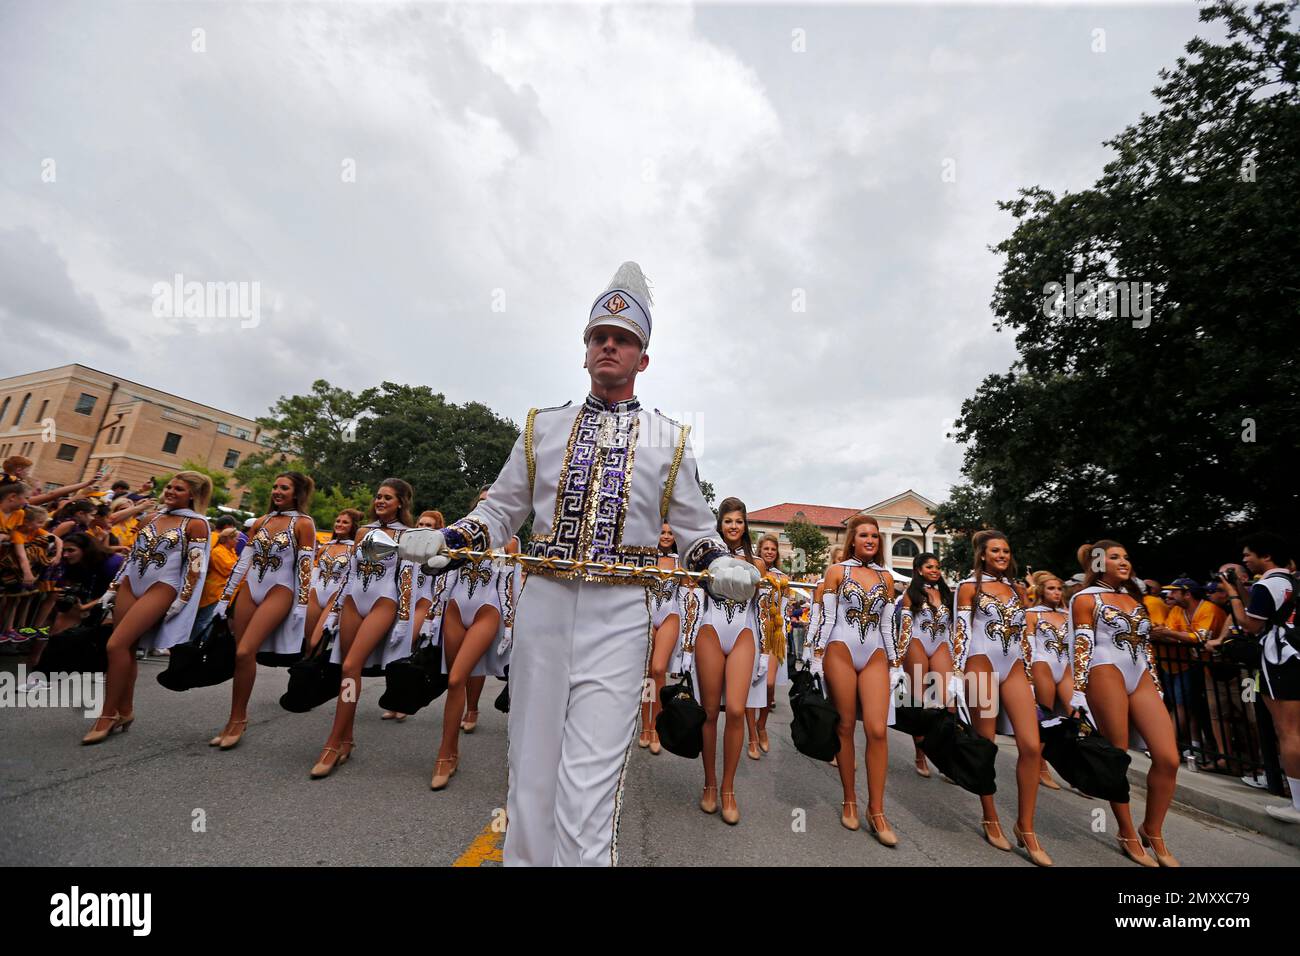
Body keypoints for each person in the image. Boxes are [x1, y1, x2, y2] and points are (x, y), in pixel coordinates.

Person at [396, 261, 753, 866]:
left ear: (643, 359)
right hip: (544, 603)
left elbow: (695, 531)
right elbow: (501, 511)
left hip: (620, 613)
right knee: (530, 763)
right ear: (585, 351)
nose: (609, 345)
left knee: (591, 775)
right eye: (599, 337)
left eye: (624, 339)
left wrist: (723, 562)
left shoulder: (669, 438)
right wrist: (451, 538)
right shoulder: (543, 427)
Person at [1069, 539, 1180, 865]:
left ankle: (1153, 829)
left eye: (1126, 556)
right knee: (1117, 757)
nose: (1124, 561)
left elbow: (1146, 648)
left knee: (1169, 758)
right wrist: (1078, 691)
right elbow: (1082, 645)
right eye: (1114, 557)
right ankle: (1127, 831)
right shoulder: (1084, 598)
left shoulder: (1136, 599)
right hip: (1105, 671)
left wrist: (1157, 687)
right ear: (1097, 563)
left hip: (1140, 675)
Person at [82, 472, 212, 745]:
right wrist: (113, 587)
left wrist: (183, 599)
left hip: (162, 586)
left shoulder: (197, 524)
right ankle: (125, 711)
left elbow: (196, 567)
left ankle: (106, 715)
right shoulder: (150, 518)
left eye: (179, 488)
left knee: (115, 645)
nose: (171, 491)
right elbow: (132, 558)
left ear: (192, 495)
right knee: (125, 647)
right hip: (132, 582)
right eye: (169, 486)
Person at [950, 530, 1051, 866]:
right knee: (986, 743)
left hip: (1014, 667)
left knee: (1033, 746)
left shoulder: (1019, 590)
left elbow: (1025, 636)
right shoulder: (968, 587)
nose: (1002, 555)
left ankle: (1026, 825)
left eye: (1006, 550)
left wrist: (1032, 676)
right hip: (981, 664)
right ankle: (990, 815)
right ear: (982, 554)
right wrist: (956, 677)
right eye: (995, 551)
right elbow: (961, 635)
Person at [310, 479, 417, 778]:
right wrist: (335, 610)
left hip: (384, 601)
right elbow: (349, 574)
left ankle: (332, 743)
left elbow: (406, 579)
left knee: (351, 664)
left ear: (401, 503)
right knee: (347, 669)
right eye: (378, 496)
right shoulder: (363, 531)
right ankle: (346, 738)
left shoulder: (408, 536)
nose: (380, 501)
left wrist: (405, 618)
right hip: (354, 601)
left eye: (388, 497)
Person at [809, 514, 903, 844]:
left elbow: (888, 625)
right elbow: (828, 618)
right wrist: (816, 656)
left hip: (875, 652)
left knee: (877, 730)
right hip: (840, 649)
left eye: (875, 536)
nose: (870, 540)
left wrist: (895, 663)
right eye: (864, 535)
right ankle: (850, 797)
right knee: (846, 725)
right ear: (853, 539)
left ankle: (876, 810)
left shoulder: (886, 577)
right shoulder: (837, 571)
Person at [208, 472, 317, 750]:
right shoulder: (261, 521)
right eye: (275, 486)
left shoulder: (304, 524)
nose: (277, 491)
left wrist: (302, 604)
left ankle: (238, 720)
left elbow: (305, 568)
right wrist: (225, 598)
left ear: (297, 493)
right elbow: (243, 563)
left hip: (279, 591)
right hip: (251, 590)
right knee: (241, 655)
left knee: (246, 651)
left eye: (284, 488)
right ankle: (236, 717)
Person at [429, 488, 517, 789]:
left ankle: (447, 750)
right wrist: (433, 614)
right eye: (482, 500)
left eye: (493, 500)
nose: (487, 504)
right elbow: (445, 575)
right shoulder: (460, 533)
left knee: (457, 679)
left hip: (486, 610)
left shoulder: (510, 541)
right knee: (453, 683)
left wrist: (508, 625)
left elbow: (508, 585)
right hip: (455, 607)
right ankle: (448, 750)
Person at [686, 497, 766, 823]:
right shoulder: (705, 558)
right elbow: (690, 597)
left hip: (743, 633)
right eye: (728, 521)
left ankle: (728, 789)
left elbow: (762, 611)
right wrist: (686, 645)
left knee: (735, 709)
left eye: (739, 521)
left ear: (746, 526)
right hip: (710, 630)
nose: (734, 526)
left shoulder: (758, 564)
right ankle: (709, 783)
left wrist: (767, 653)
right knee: (709, 712)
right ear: (720, 524)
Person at [1221, 533, 1299, 824]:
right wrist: (1243, 589)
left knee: (1288, 731)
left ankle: (1298, 804)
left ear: (1266, 556)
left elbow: (1250, 624)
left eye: (1247, 555)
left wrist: (1230, 591)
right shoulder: (1293, 581)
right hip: (1296, 655)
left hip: (1279, 659)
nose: (1244, 560)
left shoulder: (1267, 585)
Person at [899, 551, 953, 777]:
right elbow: (905, 629)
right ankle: (920, 755)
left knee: (948, 701)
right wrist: (897, 659)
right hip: (917, 643)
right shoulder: (911, 594)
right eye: (929, 567)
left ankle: (945, 757)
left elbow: (954, 628)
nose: (934, 570)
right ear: (919, 570)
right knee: (919, 703)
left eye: (937, 567)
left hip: (940, 644)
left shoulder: (949, 594)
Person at [638, 523, 686, 754]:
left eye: (670, 533)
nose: (666, 536)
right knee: (646, 673)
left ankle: (657, 726)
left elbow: (688, 601)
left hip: (670, 615)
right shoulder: (645, 556)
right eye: (662, 532)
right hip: (647, 613)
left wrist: (689, 642)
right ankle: (644, 727)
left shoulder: (681, 562)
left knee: (658, 669)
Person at [1025, 570, 1071, 789]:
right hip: (1042, 664)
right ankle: (1040, 767)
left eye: (1059, 588)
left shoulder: (1067, 615)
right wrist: (1030, 679)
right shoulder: (1032, 614)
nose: (1056, 592)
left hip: (1065, 667)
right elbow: (1029, 648)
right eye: (1051, 588)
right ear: (1041, 591)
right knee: (1045, 717)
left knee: (1078, 717)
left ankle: (1077, 770)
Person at [750, 533, 788, 757]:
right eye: (766, 548)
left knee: (769, 685)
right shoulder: (752, 572)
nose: (770, 552)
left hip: (774, 635)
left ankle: (761, 725)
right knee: (749, 687)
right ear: (759, 550)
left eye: (773, 549)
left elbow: (783, 606)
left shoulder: (784, 577)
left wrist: (780, 629)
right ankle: (752, 737)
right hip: (753, 632)